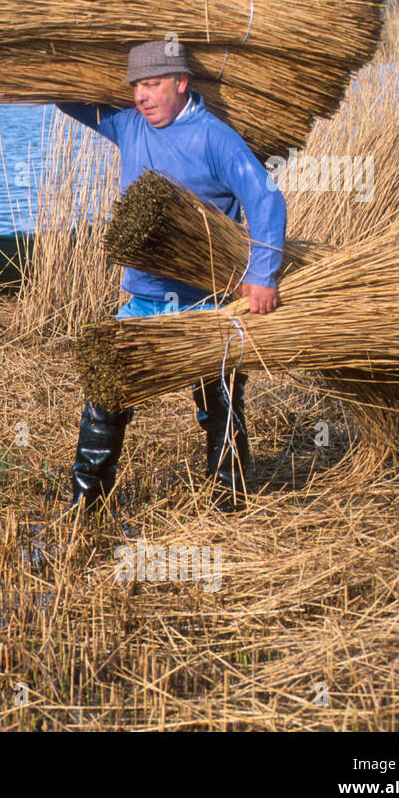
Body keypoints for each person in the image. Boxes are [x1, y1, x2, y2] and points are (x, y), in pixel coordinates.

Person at [57, 40, 286, 535]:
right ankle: (85, 508)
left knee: (220, 400)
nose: (142, 96)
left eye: (153, 84)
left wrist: (262, 277)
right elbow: (67, 99)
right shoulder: (127, 125)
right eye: (136, 85)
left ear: (181, 83)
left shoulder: (214, 138)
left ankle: (229, 503)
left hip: (206, 302)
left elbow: (265, 199)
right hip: (143, 298)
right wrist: (39, 64)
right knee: (105, 391)